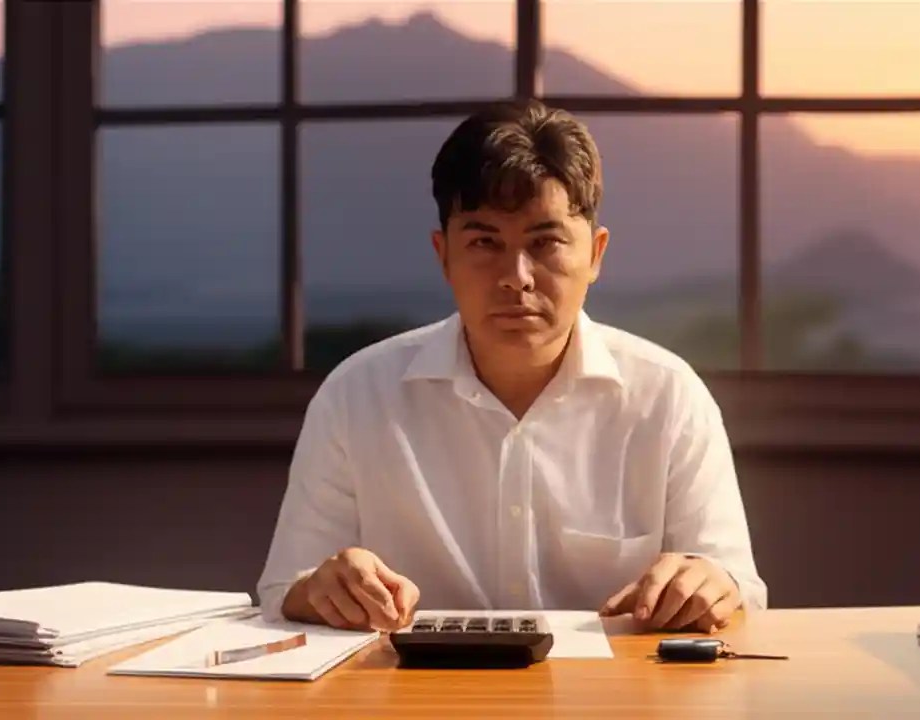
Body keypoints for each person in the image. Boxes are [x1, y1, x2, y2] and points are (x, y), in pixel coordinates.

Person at [256, 99, 766, 634]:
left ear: (595, 254)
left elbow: (740, 591)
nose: (516, 276)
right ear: (443, 255)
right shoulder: (357, 396)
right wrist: (320, 589)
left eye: (545, 242)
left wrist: (712, 584)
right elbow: (283, 591)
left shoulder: (668, 395)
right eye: (484, 242)